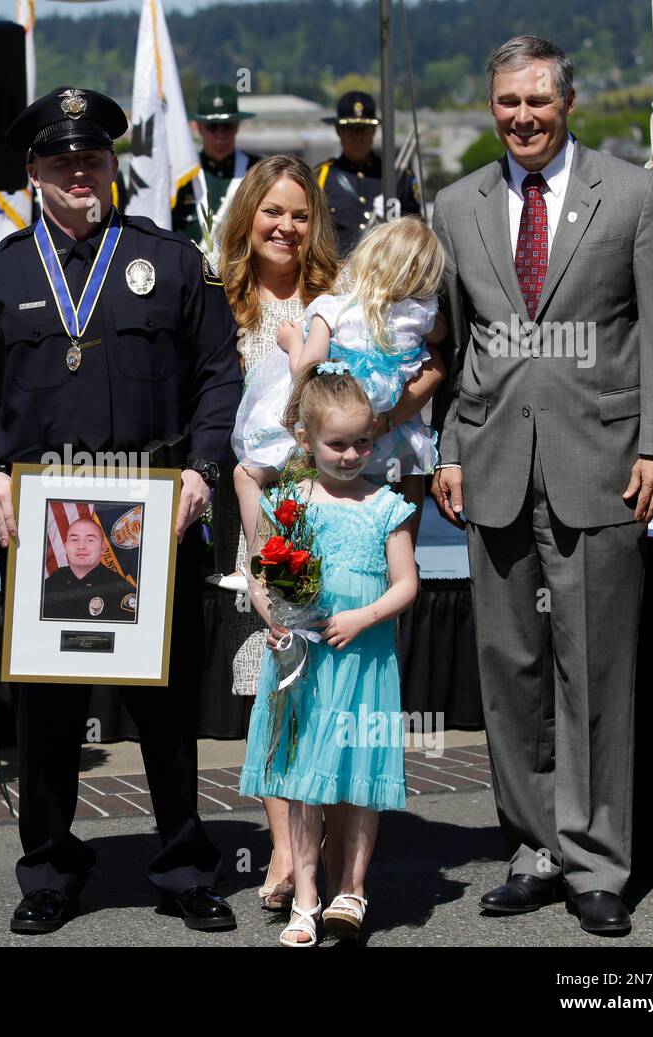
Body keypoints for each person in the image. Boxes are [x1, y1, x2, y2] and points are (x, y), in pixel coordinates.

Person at [0, 86, 242, 935]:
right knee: (50, 710)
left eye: (93, 159)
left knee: (168, 707)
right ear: (32, 174)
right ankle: (52, 869)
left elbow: (220, 372)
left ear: (113, 167)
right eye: (61, 162)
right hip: (40, 521)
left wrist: (204, 469)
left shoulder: (172, 262)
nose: (79, 173)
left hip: (153, 516)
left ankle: (182, 866)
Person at [430, 35, 653, 936]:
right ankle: (535, 844)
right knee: (510, 669)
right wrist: (450, 449)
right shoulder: (455, 205)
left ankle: (597, 861)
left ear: (567, 101)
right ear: (490, 104)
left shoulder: (632, 194)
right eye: (507, 103)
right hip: (494, 472)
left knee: (597, 668)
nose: (522, 118)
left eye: (537, 101)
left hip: (605, 469)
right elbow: (453, 346)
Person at [240, 364, 419, 946]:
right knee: (300, 778)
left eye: (362, 442)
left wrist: (362, 618)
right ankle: (307, 899)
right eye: (336, 444)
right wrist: (276, 625)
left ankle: (353, 889)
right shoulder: (289, 502)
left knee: (360, 775)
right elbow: (261, 578)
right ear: (305, 440)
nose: (350, 455)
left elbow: (406, 583)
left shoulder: (387, 505)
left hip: (364, 660)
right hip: (304, 663)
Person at [209, 154, 338, 912]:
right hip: (252, 519)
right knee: (271, 679)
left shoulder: (334, 302)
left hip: (322, 516)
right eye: (272, 212)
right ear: (248, 217)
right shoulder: (220, 303)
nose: (285, 226)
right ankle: (285, 846)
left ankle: (309, 848)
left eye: (298, 213)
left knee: (314, 686)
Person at [234, 216, 448, 550]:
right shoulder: (421, 315)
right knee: (411, 474)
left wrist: (293, 343)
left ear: (367, 258)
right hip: (385, 437)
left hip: (334, 426)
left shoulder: (333, 308)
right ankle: (404, 556)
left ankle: (260, 557)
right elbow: (442, 335)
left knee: (250, 473)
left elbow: (307, 371)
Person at [314, 91, 422, 256]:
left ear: (374, 130)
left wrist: (401, 220)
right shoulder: (320, 177)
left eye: (364, 129)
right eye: (351, 129)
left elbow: (420, 233)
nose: (358, 137)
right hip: (335, 273)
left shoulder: (398, 176)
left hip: (386, 270)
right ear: (338, 130)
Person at [171, 84, 263, 249]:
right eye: (212, 126)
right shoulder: (181, 173)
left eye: (228, 126)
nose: (220, 133)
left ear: (237, 126)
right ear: (199, 127)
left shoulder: (257, 170)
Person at [41, 517, 136, 621]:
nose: (81, 546)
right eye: (74, 540)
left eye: (90, 540)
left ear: (103, 548)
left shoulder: (121, 590)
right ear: (66, 547)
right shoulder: (48, 586)